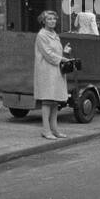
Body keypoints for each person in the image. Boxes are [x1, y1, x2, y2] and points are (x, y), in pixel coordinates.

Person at [33, 10, 69, 140]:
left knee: (55, 102)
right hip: (46, 72)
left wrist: (64, 53)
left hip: (56, 71)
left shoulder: (54, 34)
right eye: (49, 19)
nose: (52, 21)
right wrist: (62, 59)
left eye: (54, 19)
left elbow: (55, 52)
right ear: (43, 21)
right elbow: (48, 54)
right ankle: (46, 130)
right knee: (47, 101)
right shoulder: (42, 35)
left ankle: (54, 129)